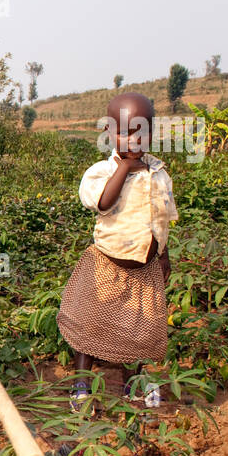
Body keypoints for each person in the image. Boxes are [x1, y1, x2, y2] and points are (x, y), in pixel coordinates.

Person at [57, 92, 178, 406]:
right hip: (107, 267)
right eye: (126, 131)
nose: (134, 139)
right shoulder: (100, 172)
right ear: (110, 133)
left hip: (145, 270)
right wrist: (124, 167)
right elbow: (104, 202)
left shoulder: (159, 174)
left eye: (142, 130)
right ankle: (81, 385)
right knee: (90, 325)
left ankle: (133, 385)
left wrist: (163, 255)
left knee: (138, 330)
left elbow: (162, 217)